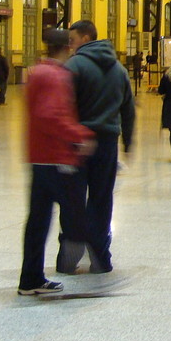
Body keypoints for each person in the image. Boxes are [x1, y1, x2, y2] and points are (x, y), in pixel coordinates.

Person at [18, 29, 96, 296]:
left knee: (38, 222)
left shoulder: (37, 72)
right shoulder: (57, 76)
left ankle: (30, 279)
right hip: (57, 158)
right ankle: (97, 264)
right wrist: (80, 135)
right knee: (77, 216)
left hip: (39, 158)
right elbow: (49, 116)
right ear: (69, 46)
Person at [59, 20, 135, 275]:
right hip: (107, 142)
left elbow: (64, 106)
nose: (70, 44)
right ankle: (101, 257)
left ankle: (69, 259)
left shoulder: (74, 66)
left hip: (77, 142)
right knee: (102, 199)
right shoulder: (119, 69)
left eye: (73, 39)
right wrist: (129, 140)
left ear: (86, 37)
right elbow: (128, 108)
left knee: (73, 199)